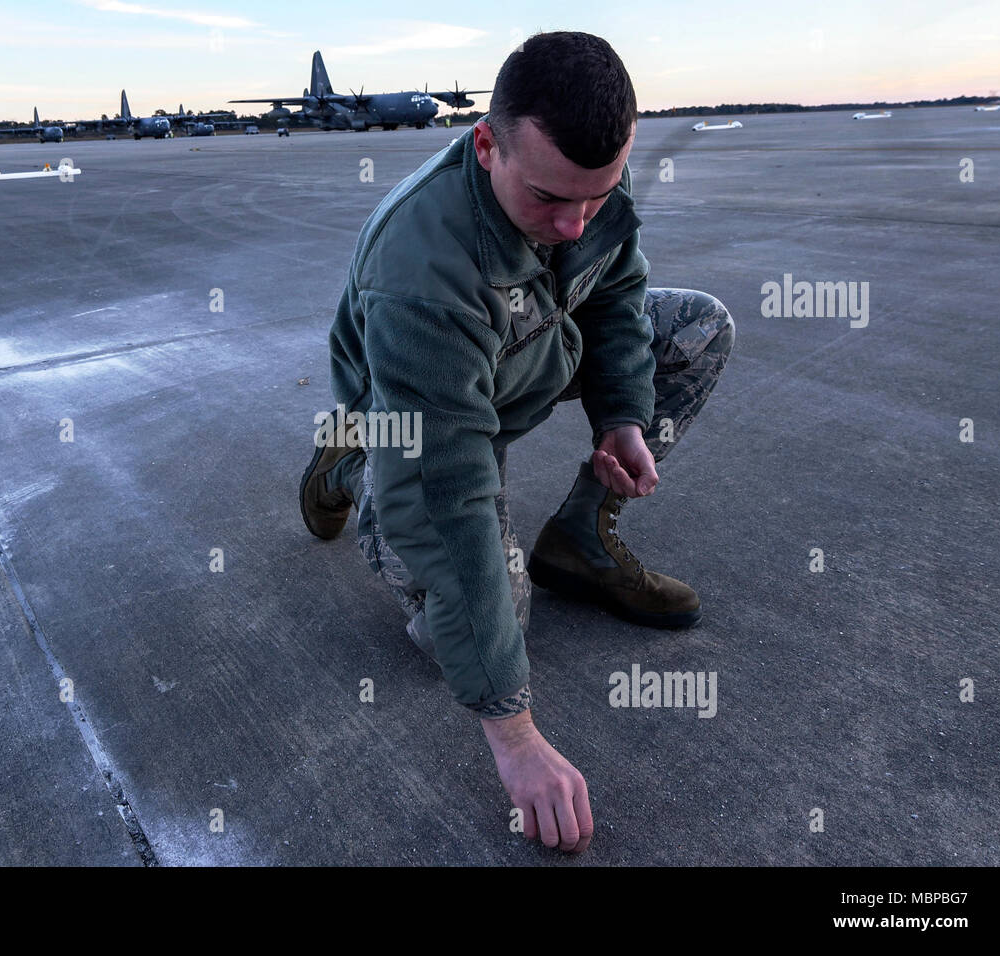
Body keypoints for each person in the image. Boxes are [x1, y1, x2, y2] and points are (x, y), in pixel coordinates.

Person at [300, 31, 734, 853]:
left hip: (528, 345)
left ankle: (579, 542)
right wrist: (514, 732)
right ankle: (350, 456)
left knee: (699, 327)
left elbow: (616, 294)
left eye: (596, 200)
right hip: (422, 413)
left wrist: (622, 418)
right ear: (487, 142)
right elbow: (447, 490)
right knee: (482, 624)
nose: (574, 225)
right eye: (548, 201)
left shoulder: (581, 170)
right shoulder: (420, 269)